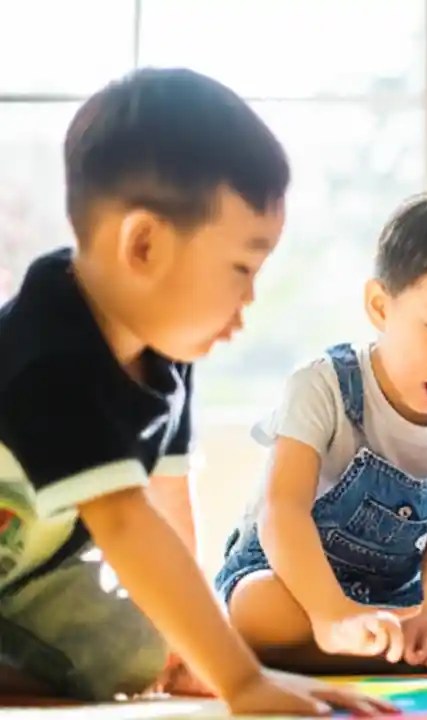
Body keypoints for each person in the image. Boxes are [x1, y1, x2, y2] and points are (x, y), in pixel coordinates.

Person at [0, 68, 393, 716]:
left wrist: (209, 656)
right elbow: (124, 522)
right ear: (145, 244)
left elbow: (167, 502)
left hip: (28, 573)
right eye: (241, 267)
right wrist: (243, 684)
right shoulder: (48, 354)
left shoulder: (165, 352)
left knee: (140, 655)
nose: (250, 298)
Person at [214, 194, 427, 674]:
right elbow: (281, 510)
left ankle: (399, 642)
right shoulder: (324, 385)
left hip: (400, 592)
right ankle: (386, 648)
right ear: (379, 307)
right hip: (298, 583)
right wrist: (333, 615)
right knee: (256, 606)